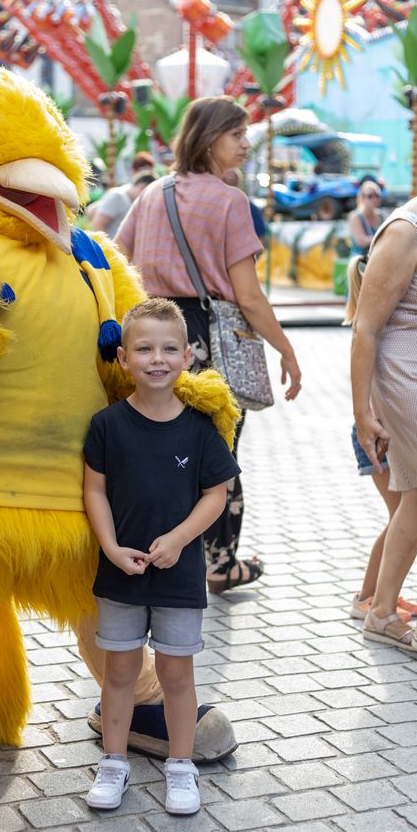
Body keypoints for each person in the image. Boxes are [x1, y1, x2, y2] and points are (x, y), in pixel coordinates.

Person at [116, 95, 302, 594]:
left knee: (158, 445)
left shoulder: (151, 194)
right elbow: (248, 295)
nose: (246, 144)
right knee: (216, 452)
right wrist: (286, 350)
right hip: (203, 335)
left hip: (151, 331)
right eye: (236, 134)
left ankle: (157, 548)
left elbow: (118, 259)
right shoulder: (230, 201)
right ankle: (220, 563)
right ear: (208, 139)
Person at [82, 299, 240, 813]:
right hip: (120, 574)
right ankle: (113, 763)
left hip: (179, 577)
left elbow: (216, 494)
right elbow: (94, 491)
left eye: (169, 349)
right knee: (120, 673)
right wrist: (110, 547)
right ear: (123, 358)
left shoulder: (199, 428)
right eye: (145, 349)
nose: (157, 359)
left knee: (176, 675)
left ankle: (180, 767)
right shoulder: (106, 425)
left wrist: (177, 540)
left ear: (188, 355)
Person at [351, 119, 417, 671]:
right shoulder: (406, 231)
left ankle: (383, 612)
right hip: (406, 381)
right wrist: (362, 411)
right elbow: (365, 328)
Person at [343, 257, 417, 623]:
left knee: (402, 516)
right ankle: (367, 596)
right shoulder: (379, 331)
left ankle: (381, 593)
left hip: (383, 433)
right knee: (400, 517)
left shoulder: (377, 327)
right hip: (382, 435)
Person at [90, 169, 157, 238]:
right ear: (143, 186)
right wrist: (104, 244)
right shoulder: (117, 196)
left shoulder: (132, 200)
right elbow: (98, 224)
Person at [348, 180, 382, 256]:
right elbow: (360, 241)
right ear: (362, 198)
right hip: (361, 259)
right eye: (370, 196)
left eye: (377, 195)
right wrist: (383, 239)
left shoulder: (381, 215)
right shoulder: (355, 216)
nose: (374, 199)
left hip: (378, 257)